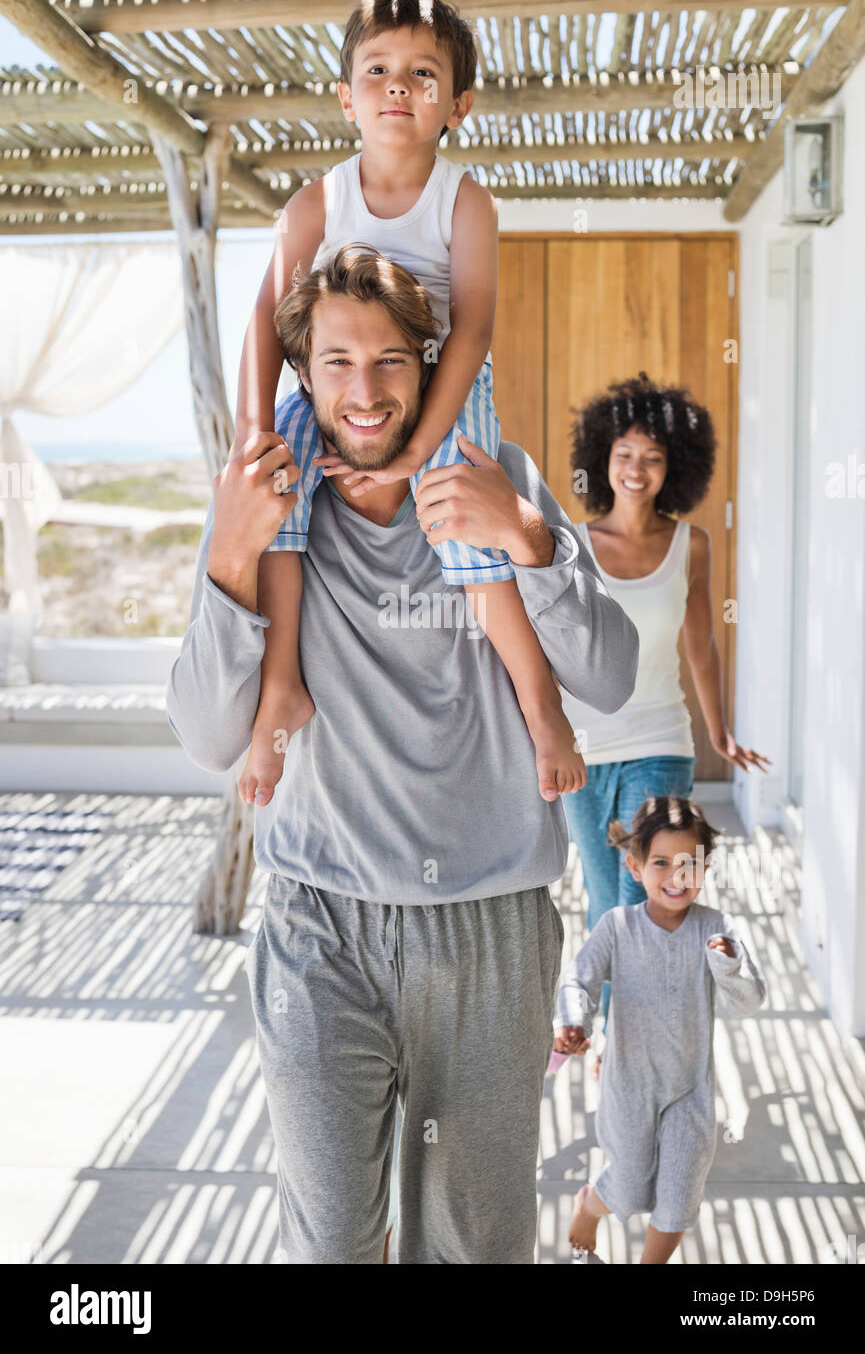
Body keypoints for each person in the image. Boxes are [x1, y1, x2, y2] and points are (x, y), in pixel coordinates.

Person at [165, 246, 639, 1264]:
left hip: (488, 930)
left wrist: (526, 535)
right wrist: (227, 552)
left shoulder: (492, 475)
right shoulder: (268, 499)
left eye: (390, 360)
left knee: (471, 1244)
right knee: (331, 1239)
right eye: (335, 363)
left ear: (430, 366)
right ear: (303, 375)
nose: (365, 391)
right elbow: (211, 737)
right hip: (317, 927)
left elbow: (608, 677)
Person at [232, 0, 586, 808]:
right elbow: (263, 319)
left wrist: (423, 451)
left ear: (456, 104)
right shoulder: (316, 202)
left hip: (439, 381)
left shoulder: (465, 203)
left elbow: (470, 329)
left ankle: (540, 704)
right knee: (280, 502)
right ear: (347, 98)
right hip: (337, 382)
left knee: (467, 531)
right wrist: (255, 430)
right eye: (379, 70)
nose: (399, 86)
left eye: (422, 74)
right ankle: (281, 682)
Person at [558, 372, 770, 1052]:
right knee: (603, 898)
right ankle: (608, 1032)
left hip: (659, 740)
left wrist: (719, 730)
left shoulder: (692, 545)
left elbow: (699, 643)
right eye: (623, 454)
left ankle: (635, 1043)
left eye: (651, 457)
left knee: (650, 897)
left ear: (673, 467)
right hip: (585, 750)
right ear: (602, 460)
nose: (636, 469)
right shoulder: (571, 546)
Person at [553, 796, 766, 1264]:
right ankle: (591, 1203)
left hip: (690, 1091)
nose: (677, 876)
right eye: (662, 862)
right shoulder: (618, 927)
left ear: (705, 868)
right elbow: (578, 979)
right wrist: (573, 1021)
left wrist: (729, 965)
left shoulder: (715, 928)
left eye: (690, 863)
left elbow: (749, 1001)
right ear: (634, 867)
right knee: (626, 1185)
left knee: (679, 1194)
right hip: (629, 1085)